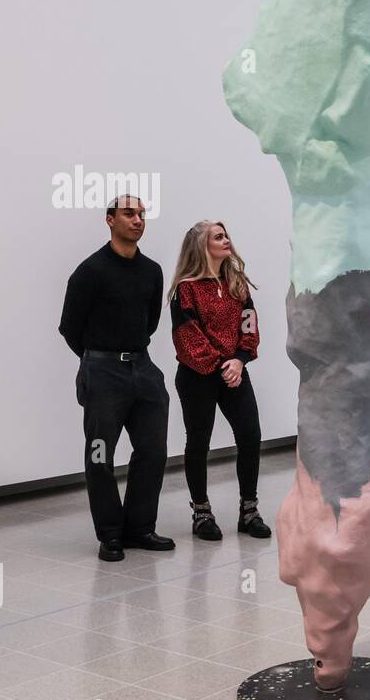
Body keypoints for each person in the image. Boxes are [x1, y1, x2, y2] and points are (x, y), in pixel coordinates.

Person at [59, 194, 176, 562]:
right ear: (110, 220)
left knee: (153, 451)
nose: (138, 220)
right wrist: (97, 360)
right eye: (129, 213)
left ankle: (139, 528)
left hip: (143, 369)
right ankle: (110, 533)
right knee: (100, 455)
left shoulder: (152, 271)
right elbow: (70, 327)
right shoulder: (90, 271)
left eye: (141, 214)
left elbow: (150, 323)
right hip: (102, 372)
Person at [168, 220, 270, 541]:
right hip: (197, 376)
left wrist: (239, 360)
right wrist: (220, 366)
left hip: (234, 371)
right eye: (218, 237)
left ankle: (249, 511)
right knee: (199, 441)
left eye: (226, 235)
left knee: (250, 435)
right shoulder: (186, 289)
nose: (226, 240)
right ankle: (201, 512)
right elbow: (187, 336)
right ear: (202, 246)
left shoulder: (236, 283)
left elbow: (249, 324)